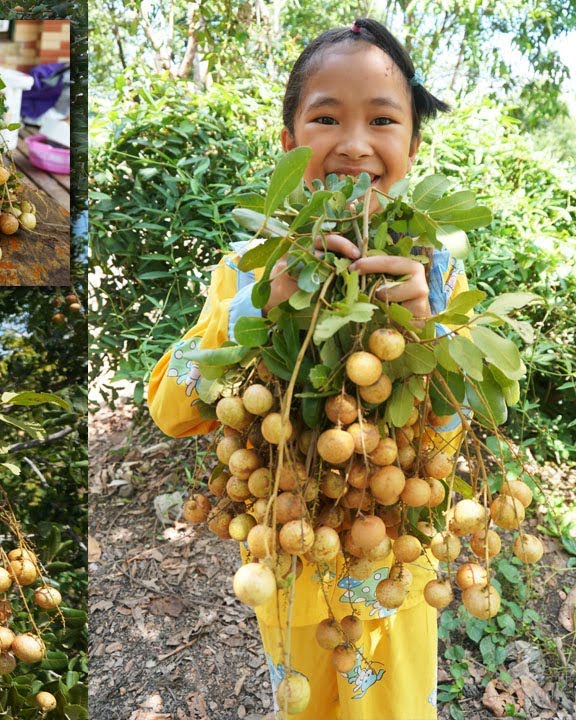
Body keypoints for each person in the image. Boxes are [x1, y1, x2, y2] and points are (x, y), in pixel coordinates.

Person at [147, 18, 468, 720]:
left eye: (383, 120)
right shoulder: (251, 266)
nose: (355, 144)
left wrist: (427, 339)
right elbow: (173, 411)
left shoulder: (436, 275)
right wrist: (253, 314)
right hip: (291, 576)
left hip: (395, 581)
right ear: (289, 142)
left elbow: (447, 440)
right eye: (326, 118)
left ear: (412, 145)